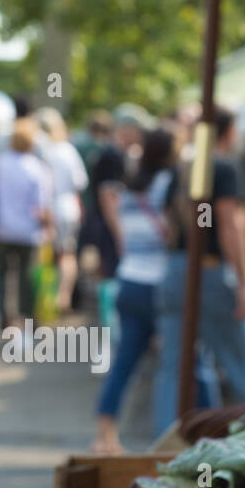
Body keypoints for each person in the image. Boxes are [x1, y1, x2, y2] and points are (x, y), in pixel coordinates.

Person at [154, 107, 245, 437]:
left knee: (173, 371)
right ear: (230, 131)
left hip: (176, 269)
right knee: (243, 365)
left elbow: (167, 222)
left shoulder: (183, 167)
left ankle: (165, 452)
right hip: (210, 272)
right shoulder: (222, 166)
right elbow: (230, 225)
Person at [92, 129, 176, 454]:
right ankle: (169, 437)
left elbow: (124, 235)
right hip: (158, 283)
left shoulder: (129, 190)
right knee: (175, 363)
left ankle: (104, 435)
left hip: (129, 280)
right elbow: (169, 233)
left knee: (125, 361)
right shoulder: (167, 186)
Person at [0, 118, 53, 352]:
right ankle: (24, 331)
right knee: (25, 281)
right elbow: (42, 206)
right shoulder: (37, 168)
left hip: (0, 231)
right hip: (27, 233)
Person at [35, 107, 89, 314]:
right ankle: (63, 296)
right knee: (67, 253)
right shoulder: (67, 150)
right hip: (68, 207)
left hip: (48, 208)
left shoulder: (41, 151)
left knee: (46, 257)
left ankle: (47, 298)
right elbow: (79, 183)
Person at [88, 105, 151, 279]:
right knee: (111, 272)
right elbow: (108, 197)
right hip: (110, 224)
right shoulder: (112, 154)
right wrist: (120, 235)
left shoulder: (115, 152)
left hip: (108, 223)